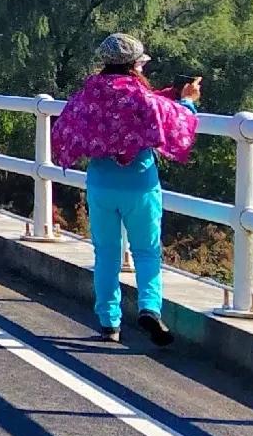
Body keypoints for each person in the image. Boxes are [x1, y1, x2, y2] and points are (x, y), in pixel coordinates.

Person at [51, 33, 199, 346]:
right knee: (146, 251)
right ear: (135, 64)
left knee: (105, 253)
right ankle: (149, 307)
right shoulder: (141, 97)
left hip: (101, 184)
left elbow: (65, 126)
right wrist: (187, 100)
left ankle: (109, 322)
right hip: (140, 184)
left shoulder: (89, 94)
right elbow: (176, 120)